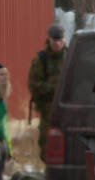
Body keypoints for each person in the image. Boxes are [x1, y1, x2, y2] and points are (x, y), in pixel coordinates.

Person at [28, 23, 67, 154]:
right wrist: (54, 88)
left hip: (68, 111)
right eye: (54, 40)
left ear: (64, 40)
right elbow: (33, 84)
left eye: (60, 40)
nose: (57, 43)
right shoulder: (41, 59)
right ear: (49, 39)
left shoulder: (70, 57)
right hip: (48, 110)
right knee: (47, 148)